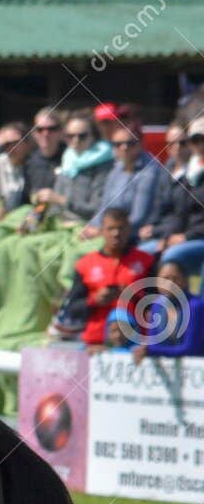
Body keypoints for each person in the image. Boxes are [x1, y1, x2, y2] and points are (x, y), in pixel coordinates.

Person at [46, 207, 153, 348]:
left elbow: (157, 304)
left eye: (121, 228)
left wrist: (132, 295)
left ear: (128, 230)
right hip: (95, 344)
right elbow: (71, 309)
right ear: (101, 231)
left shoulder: (145, 261)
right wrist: (94, 300)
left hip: (135, 345)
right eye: (110, 229)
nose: (116, 233)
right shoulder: (85, 264)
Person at [83, 122, 164, 239]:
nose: (124, 148)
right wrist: (91, 227)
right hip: (107, 231)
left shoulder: (149, 172)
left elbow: (138, 217)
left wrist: (102, 231)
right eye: (118, 144)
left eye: (130, 143)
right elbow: (103, 207)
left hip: (131, 235)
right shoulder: (115, 170)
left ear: (140, 144)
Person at [146, 117, 204, 276]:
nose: (200, 145)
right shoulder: (191, 173)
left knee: (171, 257)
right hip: (184, 235)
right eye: (196, 140)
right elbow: (179, 213)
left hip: (196, 238)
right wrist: (166, 238)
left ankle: (191, 301)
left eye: (182, 142)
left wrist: (186, 236)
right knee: (142, 254)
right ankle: (148, 301)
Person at [38, 111, 113, 226]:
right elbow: (54, 207)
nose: (76, 140)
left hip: (86, 228)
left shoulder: (104, 165)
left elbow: (96, 209)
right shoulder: (68, 160)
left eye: (82, 136)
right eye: (70, 136)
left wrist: (61, 200)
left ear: (94, 136)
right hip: (60, 224)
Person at [131, 263, 204, 360]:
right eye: (165, 279)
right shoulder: (156, 306)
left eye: (175, 278)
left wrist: (151, 351)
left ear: (185, 281)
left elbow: (191, 348)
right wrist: (145, 349)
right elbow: (153, 343)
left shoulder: (196, 306)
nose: (170, 283)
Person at [24, 107, 64, 197]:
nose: (45, 134)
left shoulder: (71, 159)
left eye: (51, 129)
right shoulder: (28, 161)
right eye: (40, 129)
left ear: (61, 131)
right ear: (34, 133)